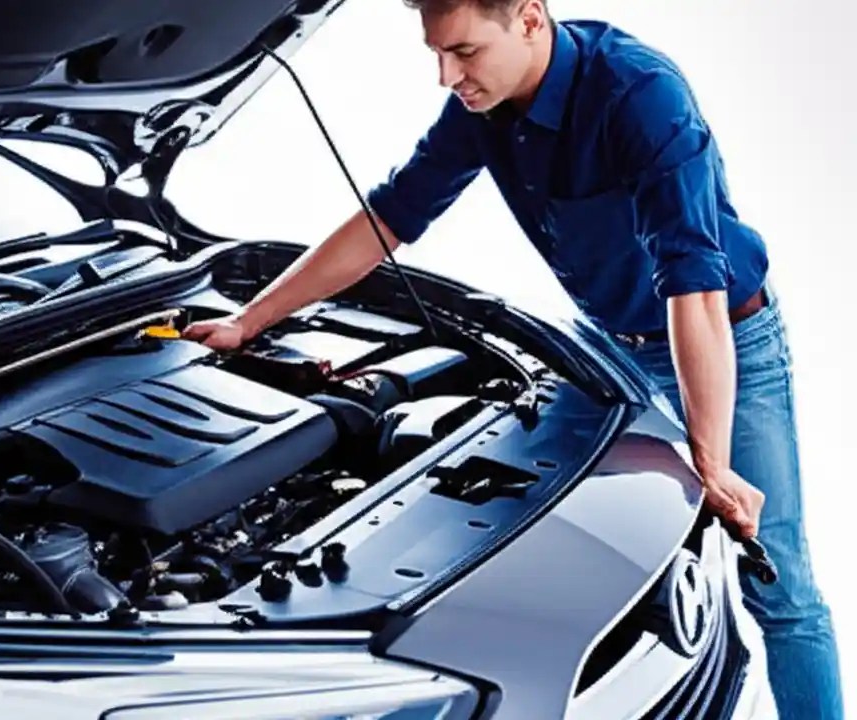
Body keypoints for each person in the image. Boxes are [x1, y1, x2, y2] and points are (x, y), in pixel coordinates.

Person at [183, 0, 843, 716]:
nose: (447, 76)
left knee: (778, 585)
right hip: (605, 344)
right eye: (436, 53)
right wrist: (249, 321)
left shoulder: (639, 93)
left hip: (722, 338)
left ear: (529, 19)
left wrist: (711, 463)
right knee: (561, 539)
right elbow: (390, 217)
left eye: (463, 51)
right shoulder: (482, 104)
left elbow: (693, 282)